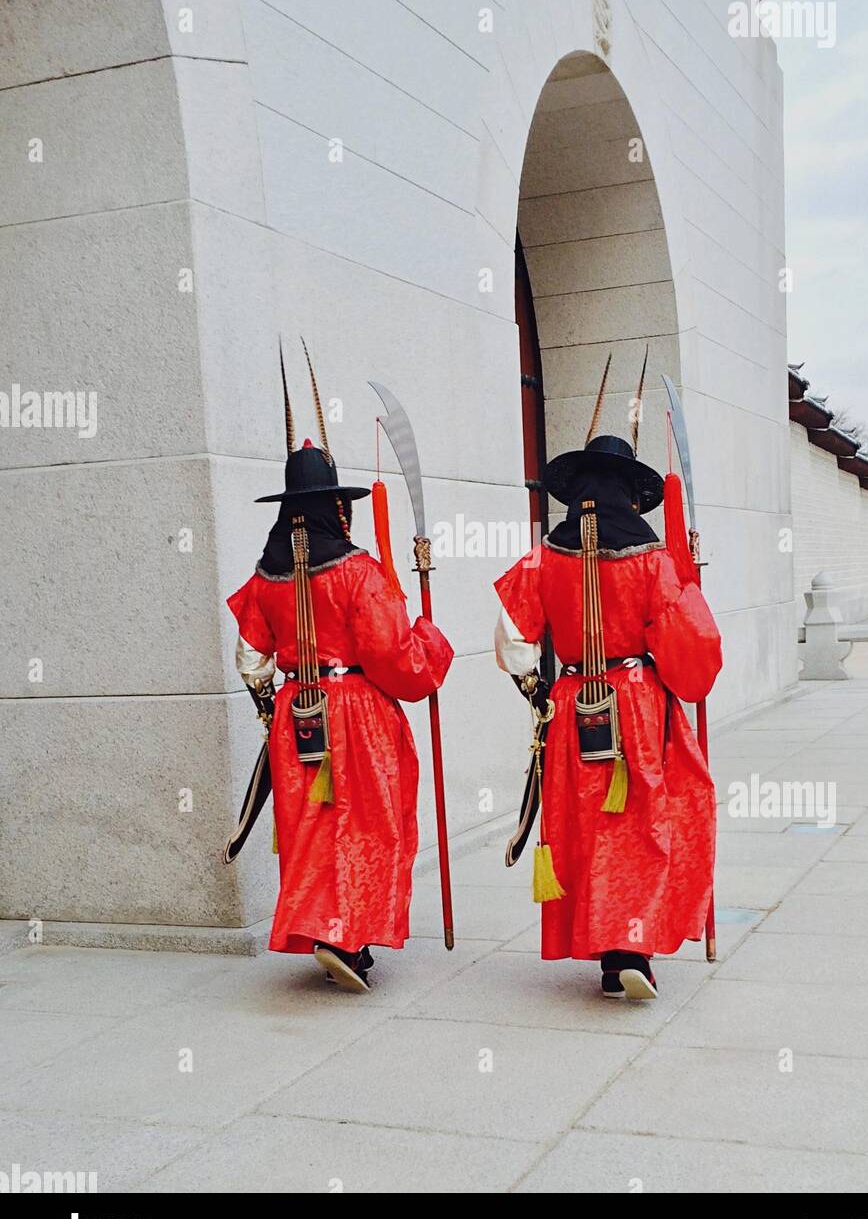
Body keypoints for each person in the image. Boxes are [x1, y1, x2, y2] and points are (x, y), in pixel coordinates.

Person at [493, 357, 722, 1000]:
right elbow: (695, 648)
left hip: (570, 704)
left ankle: (604, 952)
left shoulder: (542, 559)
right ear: (630, 494)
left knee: (585, 823)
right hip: (638, 704)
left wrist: (540, 692)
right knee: (643, 820)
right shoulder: (653, 561)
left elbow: (512, 639)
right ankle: (633, 948)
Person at [227, 346, 453, 991]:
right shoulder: (358, 572)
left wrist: (273, 710)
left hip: (296, 716)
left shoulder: (265, 575)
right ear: (337, 507)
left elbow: (250, 660)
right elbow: (392, 657)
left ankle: (328, 929)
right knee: (367, 821)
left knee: (312, 827)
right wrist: (432, 647)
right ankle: (347, 939)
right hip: (356, 713)